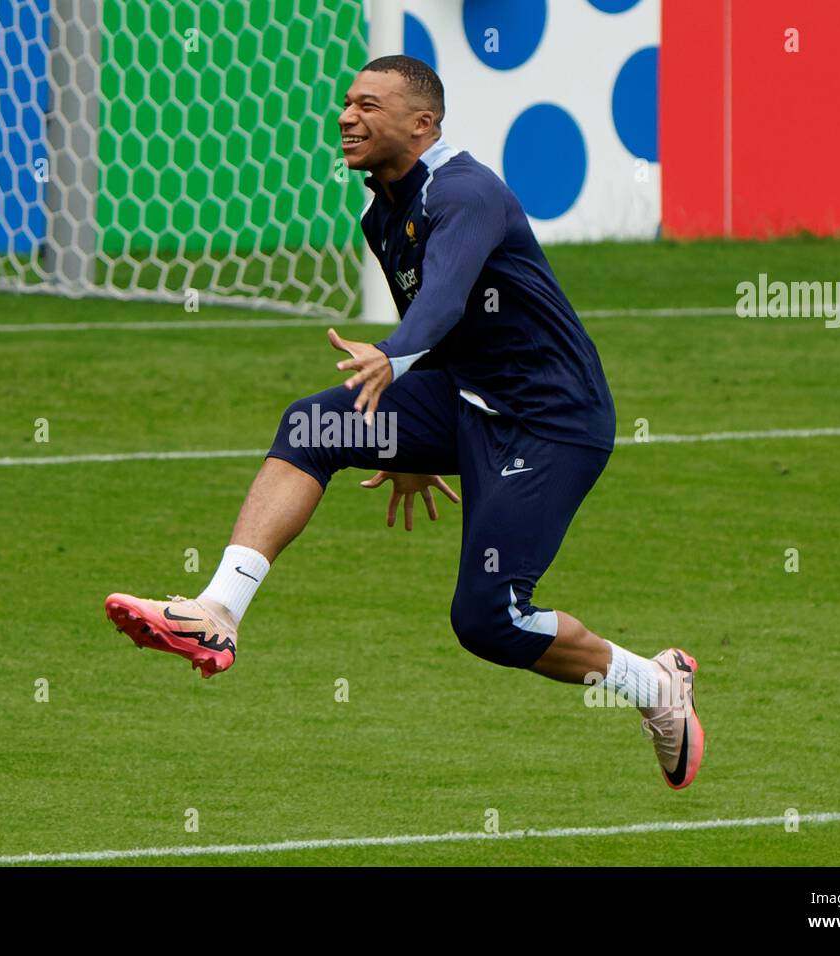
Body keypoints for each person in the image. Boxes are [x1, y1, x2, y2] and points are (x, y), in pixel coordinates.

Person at [105, 55, 704, 789]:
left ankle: (655, 686)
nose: (347, 116)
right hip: (464, 398)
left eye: (369, 105)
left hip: (549, 421)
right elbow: (442, 328)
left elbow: (445, 298)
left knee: (489, 621)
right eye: (348, 102)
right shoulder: (379, 209)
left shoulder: (468, 192)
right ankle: (217, 612)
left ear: (422, 124)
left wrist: (392, 356)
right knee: (314, 427)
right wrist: (417, 432)